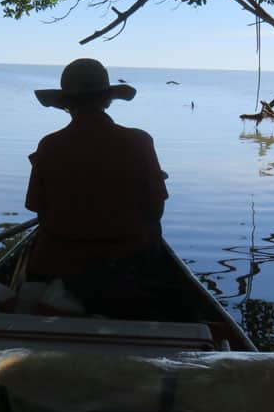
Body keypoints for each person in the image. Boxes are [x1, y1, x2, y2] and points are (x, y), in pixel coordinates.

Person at [24, 58, 170, 317]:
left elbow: (41, 213)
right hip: (129, 263)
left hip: (61, 264)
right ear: (107, 100)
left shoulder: (49, 146)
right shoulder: (140, 142)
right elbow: (155, 211)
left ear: (65, 104)